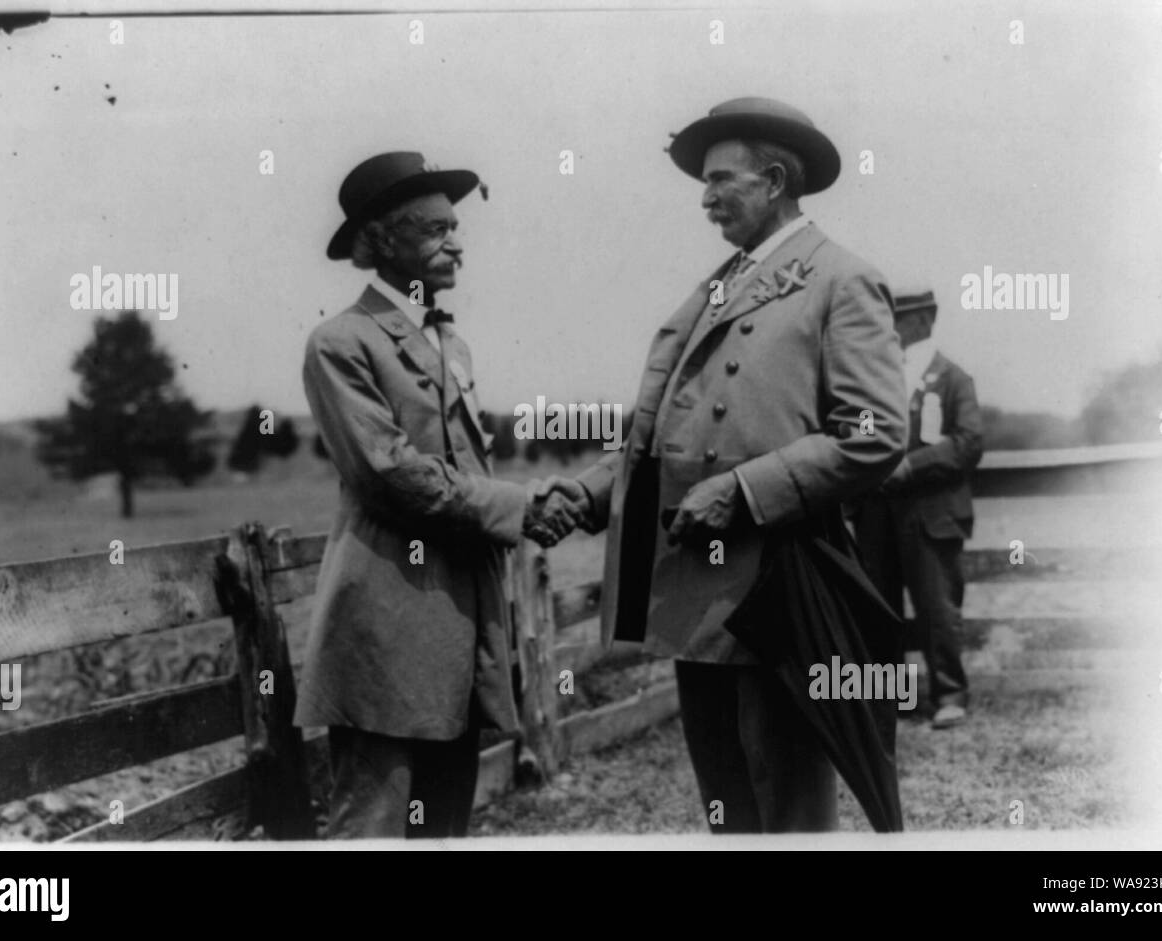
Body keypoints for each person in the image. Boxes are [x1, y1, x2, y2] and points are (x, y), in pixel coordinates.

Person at [544, 98, 907, 832]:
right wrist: (587, 491)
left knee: (790, 806)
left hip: (782, 587)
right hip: (696, 594)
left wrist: (744, 489)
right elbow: (665, 434)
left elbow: (875, 431)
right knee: (730, 804)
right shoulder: (719, 286)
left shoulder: (841, 279)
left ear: (773, 180)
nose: (706, 200)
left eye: (720, 181)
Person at [297, 151, 581, 838]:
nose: (455, 242)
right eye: (432, 230)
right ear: (381, 241)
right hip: (387, 621)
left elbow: (465, 469)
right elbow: (390, 473)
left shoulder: (450, 341)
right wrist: (519, 508)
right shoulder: (341, 342)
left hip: (459, 616)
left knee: (445, 821)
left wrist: (528, 499)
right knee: (374, 819)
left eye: (456, 227)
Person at [851, 288, 984, 729]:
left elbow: (968, 443)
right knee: (879, 606)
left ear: (925, 319)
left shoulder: (953, 378)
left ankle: (949, 695)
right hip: (878, 515)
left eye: (900, 318)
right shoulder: (876, 379)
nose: (890, 328)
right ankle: (893, 698)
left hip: (932, 515)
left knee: (937, 609)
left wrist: (910, 466)